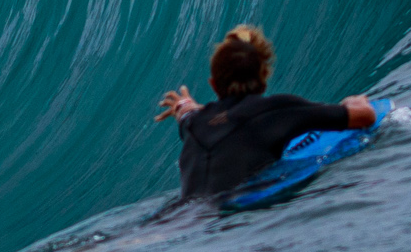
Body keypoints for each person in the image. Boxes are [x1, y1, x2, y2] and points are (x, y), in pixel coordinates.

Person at [155, 25, 375, 202]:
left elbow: (188, 114)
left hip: (175, 213)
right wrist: (353, 101)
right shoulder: (279, 110)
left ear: (213, 84)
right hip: (225, 212)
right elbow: (365, 116)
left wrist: (183, 104)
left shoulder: (195, 124)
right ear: (264, 76)